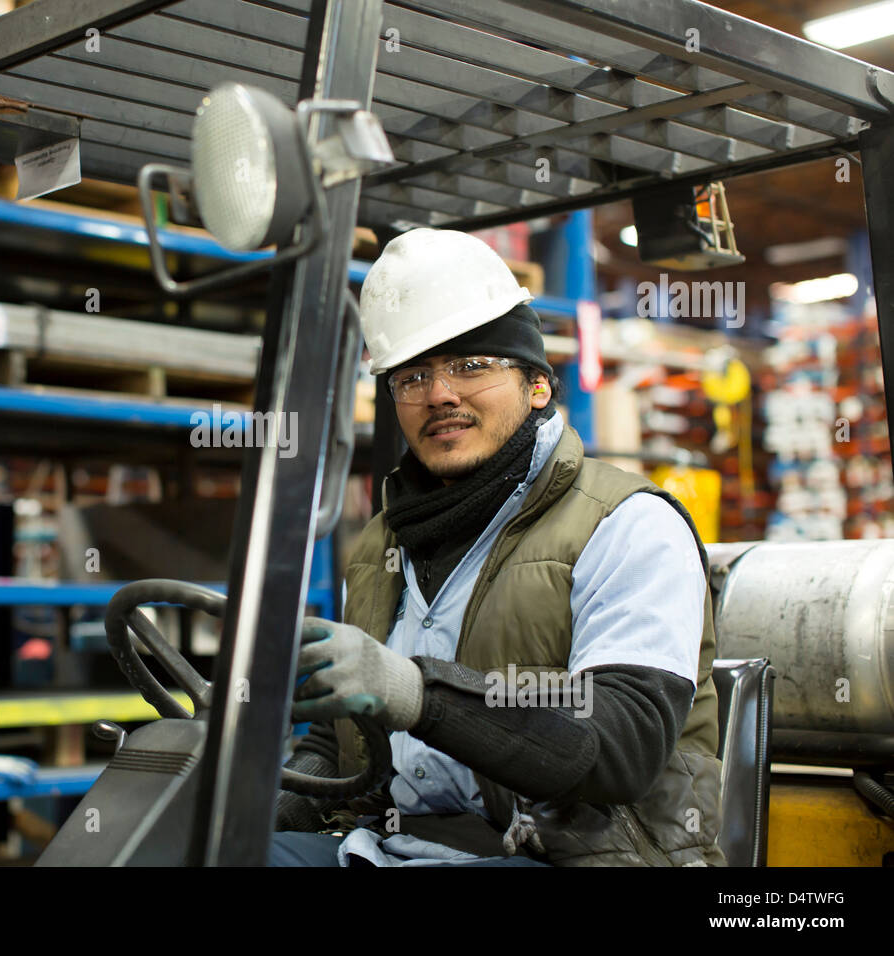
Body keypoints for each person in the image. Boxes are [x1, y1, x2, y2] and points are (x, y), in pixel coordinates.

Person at [269, 228, 724, 867]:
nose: (440, 394)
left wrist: (418, 694)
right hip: (395, 847)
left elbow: (621, 746)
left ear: (538, 385)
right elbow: (338, 736)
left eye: (471, 366)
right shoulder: (382, 544)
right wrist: (266, 810)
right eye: (414, 375)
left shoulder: (628, 525)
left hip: (573, 857)